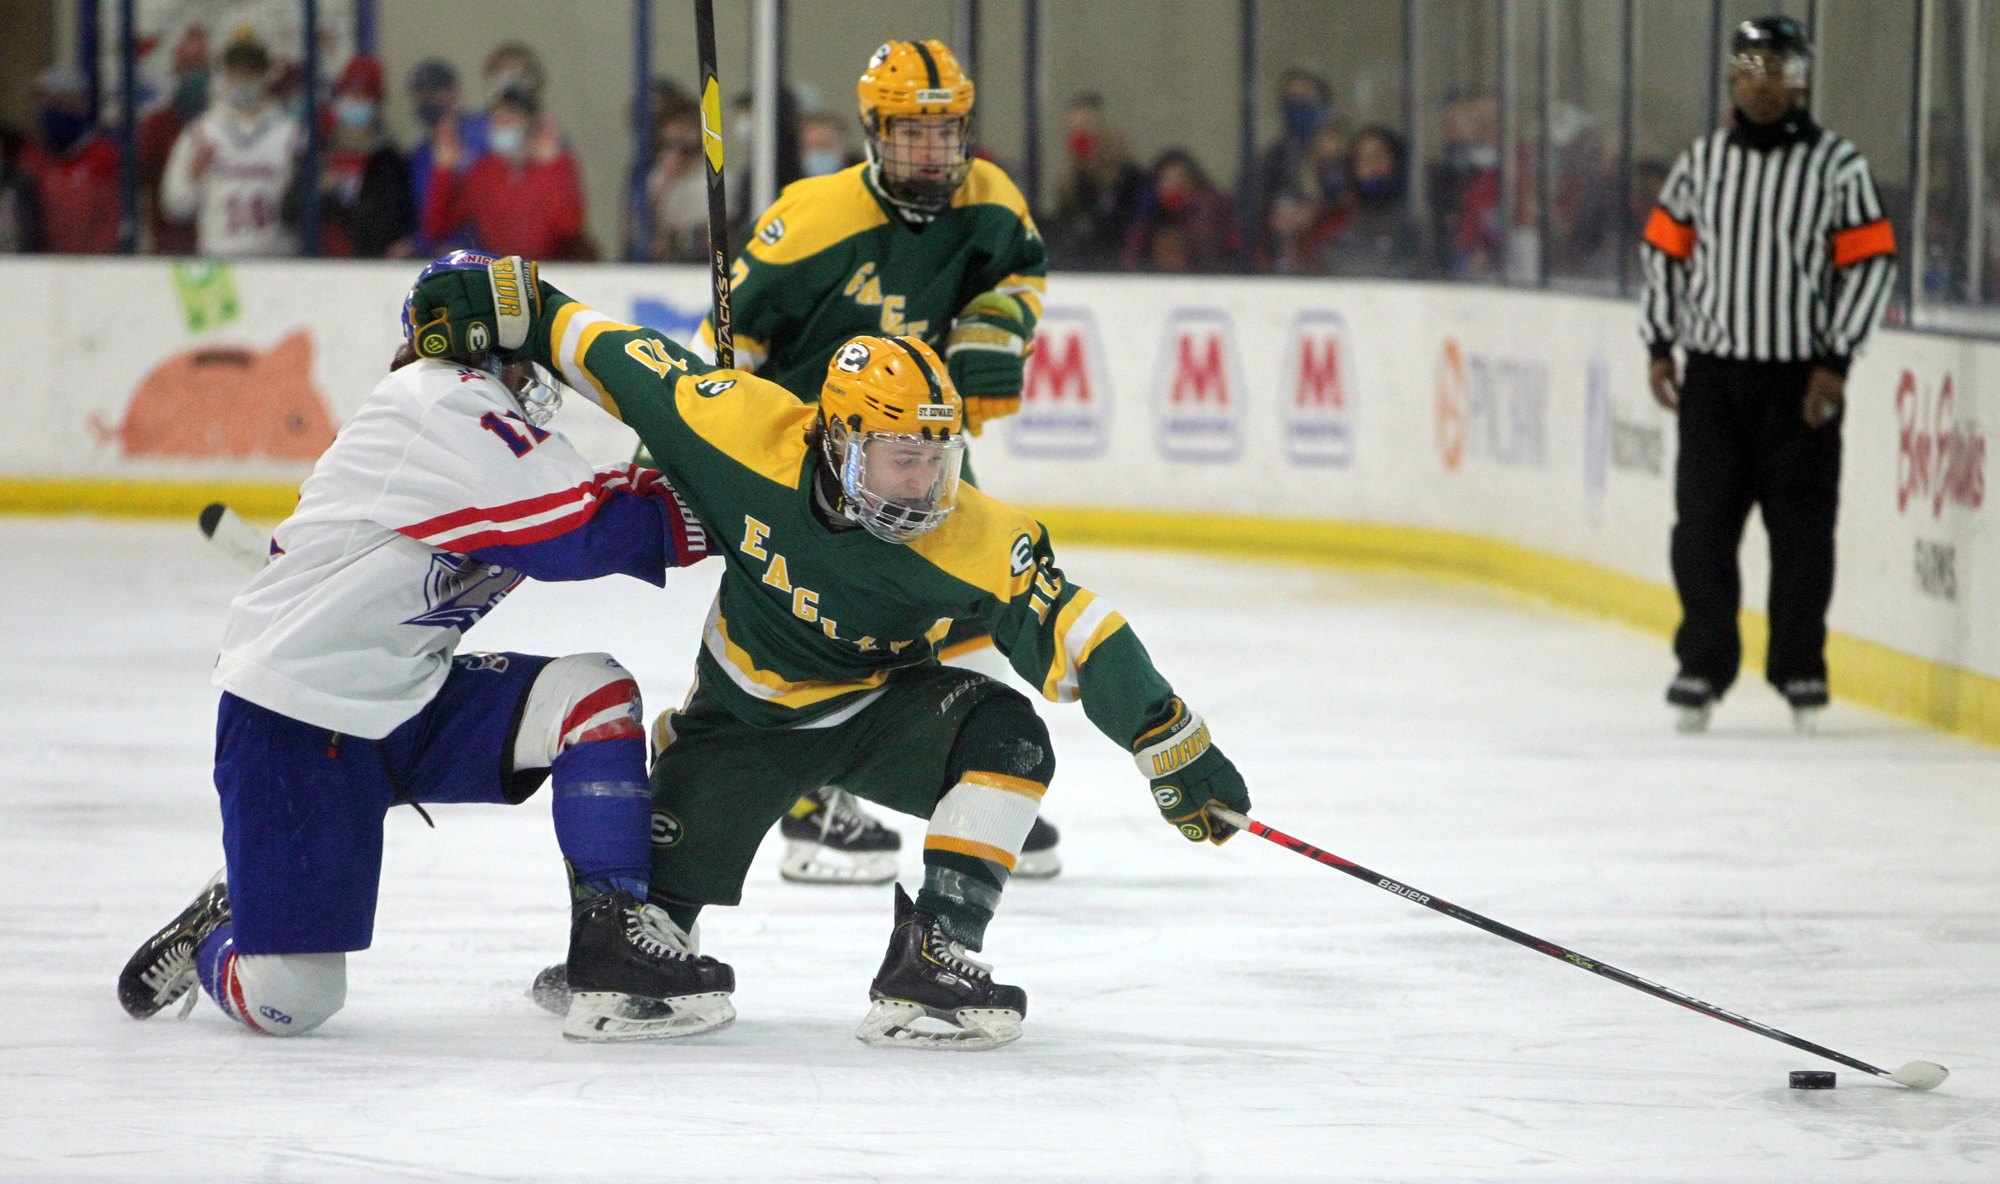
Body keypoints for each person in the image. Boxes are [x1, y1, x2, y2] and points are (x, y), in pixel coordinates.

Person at [405, 257, 1255, 1049]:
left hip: (878, 712)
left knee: (1010, 735)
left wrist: (1168, 738)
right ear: (839, 441)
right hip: (737, 722)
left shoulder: (968, 533)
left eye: (936, 457)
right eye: (901, 459)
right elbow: (604, 350)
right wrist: (509, 300)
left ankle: (934, 962)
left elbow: (1080, 628)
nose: (925, 483)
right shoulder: (737, 430)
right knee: (639, 954)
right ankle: (656, 920)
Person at [117, 252, 733, 1043]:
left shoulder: (471, 418)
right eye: (531, 348)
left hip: (408, 696)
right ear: (487, 347)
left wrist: (700, 467)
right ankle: (220, 928)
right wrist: (725, 502)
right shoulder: (439, 403)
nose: (542, 367)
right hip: (296, 717)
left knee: (594, 695)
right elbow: (576, 537)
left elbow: (585, 505)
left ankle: (610, 944)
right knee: (292, 999)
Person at [694, 40, 1056, 883]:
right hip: (808, 458)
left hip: (916, 444)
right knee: (807, 622)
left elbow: (1022, 275)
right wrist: (709, 442)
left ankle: (972, 780)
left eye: (948, 131)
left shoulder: (992, 201)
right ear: (873, 130)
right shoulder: (812, 219)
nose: (933, 151)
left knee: (969, 598)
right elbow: (730, 341)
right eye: (911, 132)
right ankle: (807, 804)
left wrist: (993, 330)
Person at [1640, 17, 1897, 734]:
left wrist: (1837, 359)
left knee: (1803, 534)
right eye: (1750, 68)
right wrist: (1660, 343)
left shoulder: (1837, 167)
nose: (1762, 84)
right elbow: (1664, 250)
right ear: (1732, 78)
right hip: (1715, 379)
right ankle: (1703, 663)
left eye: (1777, 69)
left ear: (1802, 78)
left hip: (1800, 384)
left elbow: (1871, 263)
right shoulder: (1702, 163)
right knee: (1701, 530)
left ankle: (1800, 668)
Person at [161, 34, 303, 257]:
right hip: (218, 258)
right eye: (236, 74)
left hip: (277, 258)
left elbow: (305, 205)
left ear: (266, 76)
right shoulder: (200, 132)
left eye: (251, 74)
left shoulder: (291, 133)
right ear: (224, 76)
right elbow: (176, 208)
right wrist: (193, 175)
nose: (244, 82)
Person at [422, 86, 589, 260]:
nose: (500, 128)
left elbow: (570, 228)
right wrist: (443, 171)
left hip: (554, 272)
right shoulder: (483, 172)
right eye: (495, 122)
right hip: (501, 274)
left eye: (508, 121)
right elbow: (436, 229)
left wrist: (551, 168)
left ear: (530, 125)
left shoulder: (556, 165)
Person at [319, 57, 415, 258]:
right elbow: (290, 212)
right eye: (349, 95)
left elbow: (383, 226)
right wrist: (317, 191)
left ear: (375, 103)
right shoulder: (319, 151)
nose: (354, 103)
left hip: (367, 267)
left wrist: (334, 197)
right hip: (315, 264)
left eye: (362, 97)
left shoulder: (389, 162)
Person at [22, 65, 120, 255]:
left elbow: (112, 223)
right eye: (45, 102)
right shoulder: (32, 159)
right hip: (39, 271)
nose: (51, 110)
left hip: (93, 270)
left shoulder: (104, 155)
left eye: (60, 101)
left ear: (79, 103)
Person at [1046, 92, 1145, 271]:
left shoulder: (1127, 178)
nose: (1079, 135)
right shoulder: (1070, 182)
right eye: (1073, 128)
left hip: (1117, 268)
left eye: (1085, 127)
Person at [138, 26, 209, 255]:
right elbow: (141, 180)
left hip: (213, 243)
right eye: (188, 67)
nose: (194, 75)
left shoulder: (219, 126)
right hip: (168, 243)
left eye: (200, 67)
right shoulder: (157, 125)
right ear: (176, 72)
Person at [1252, 68, 1333, 268]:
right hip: (1283, 257)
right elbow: (1254, 207)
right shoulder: (1273, 157)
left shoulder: (1344, 156)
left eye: (1304, 99)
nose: (1297, 107)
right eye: (1290, 100)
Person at [1320, 126, 1424, 278]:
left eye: (1378, 156)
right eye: (1363, 159)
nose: (1371, 165)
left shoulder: (1416, 216)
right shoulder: (1341, 220)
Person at [404, 57, 482, 254]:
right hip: (438, 254)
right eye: (420, 94)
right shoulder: (419, 156)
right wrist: (417, 244)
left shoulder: (481, 135)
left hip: (485, 251)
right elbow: (424, 216)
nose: (427, 100)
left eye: (434, 92)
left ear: (453, 93)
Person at [1121, 148, 1242, 273]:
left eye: (1180, 178)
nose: (1174, 185)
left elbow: (1210, 248)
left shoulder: (1212, 207)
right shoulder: (1151, 214)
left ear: (1193, 180)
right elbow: (1132, 255)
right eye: (1166, 179)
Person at [631, 85, 708, 263]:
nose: (678, 134)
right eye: (672, 126)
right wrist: (665, 182)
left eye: (685, 127)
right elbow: (635, 232)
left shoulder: (716, 180)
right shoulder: (654, 179)